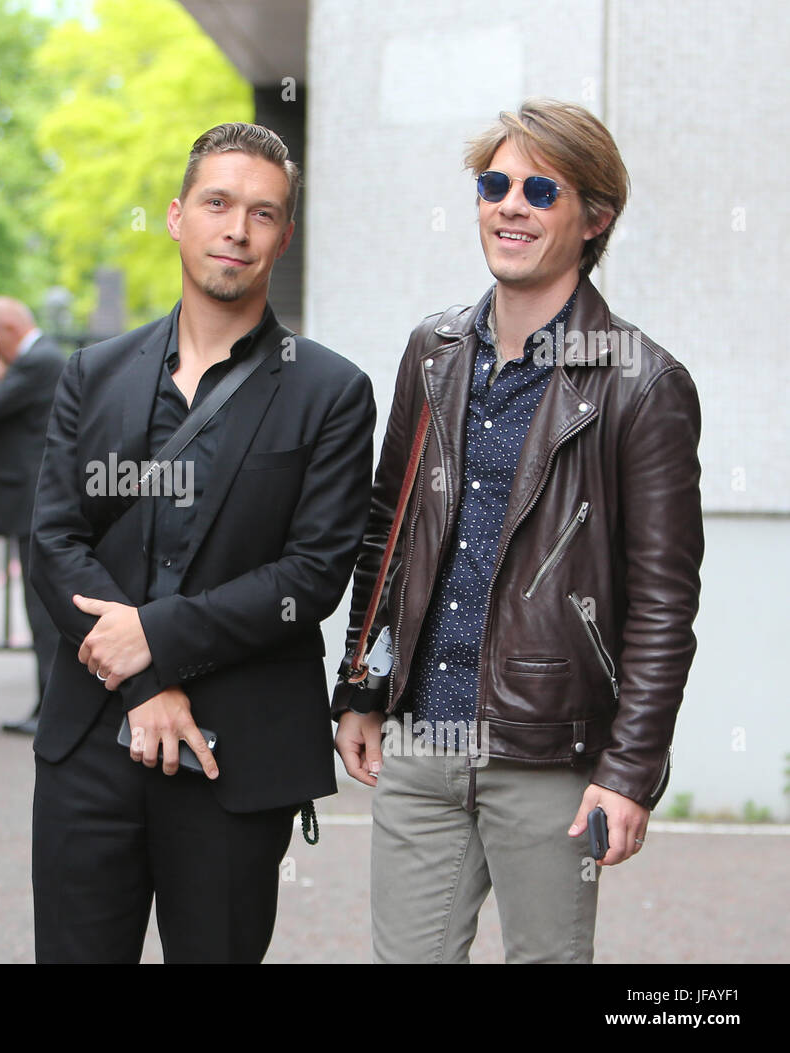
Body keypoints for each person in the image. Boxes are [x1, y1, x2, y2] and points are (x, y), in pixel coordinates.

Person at [333, 98, 703, 963]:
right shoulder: (435, 347)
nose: (511, 205)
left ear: (594, 218)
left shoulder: (643, 383)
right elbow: (389, 529)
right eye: (495, 184)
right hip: (423, 740)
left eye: (542, 190)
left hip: (550, 751)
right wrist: (360, 683)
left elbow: (661, 604)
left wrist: (630, 769)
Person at [29, 122, 376, 963]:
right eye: (218, 203)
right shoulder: (94, 372)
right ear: (178, 216)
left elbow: (314, 572)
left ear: (284, 237)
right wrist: (146, 679)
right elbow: (54, 540)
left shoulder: (332, 390)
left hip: (240, 754)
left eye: (263, 213)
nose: (237, 229)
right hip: (92, 740)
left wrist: (154, 637)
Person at [0, 296, 65, 735]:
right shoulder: (41, 360)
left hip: (32, 502)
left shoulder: (38, 361)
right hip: (28, 501)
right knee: (37, 608)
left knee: (41, 610)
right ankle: (46, 703)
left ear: (8, 329)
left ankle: (51, 706)